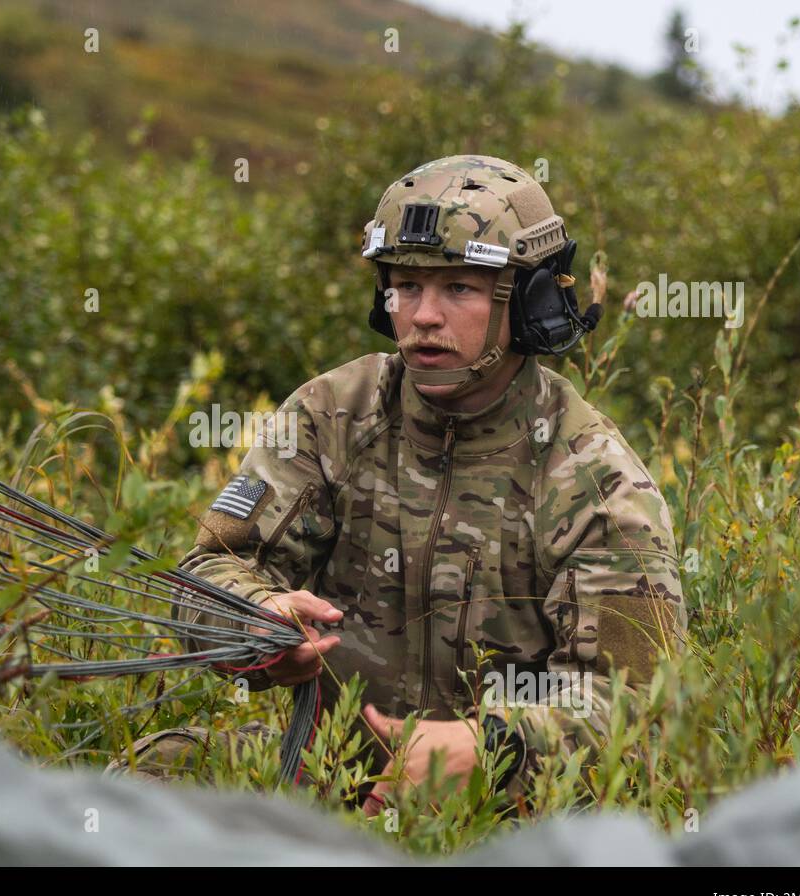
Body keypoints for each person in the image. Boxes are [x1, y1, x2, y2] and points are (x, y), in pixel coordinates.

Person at [112, 155, 686, 810]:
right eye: (406, 286)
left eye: (460, 289)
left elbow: (638, 707)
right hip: (329, 767)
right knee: (156, 773)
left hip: (501, 804)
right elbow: (211, 569)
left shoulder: (593, 476)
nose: (424, 317)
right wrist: (259, 619)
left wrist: (493, 748)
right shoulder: (333, 415)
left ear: (529, 301)